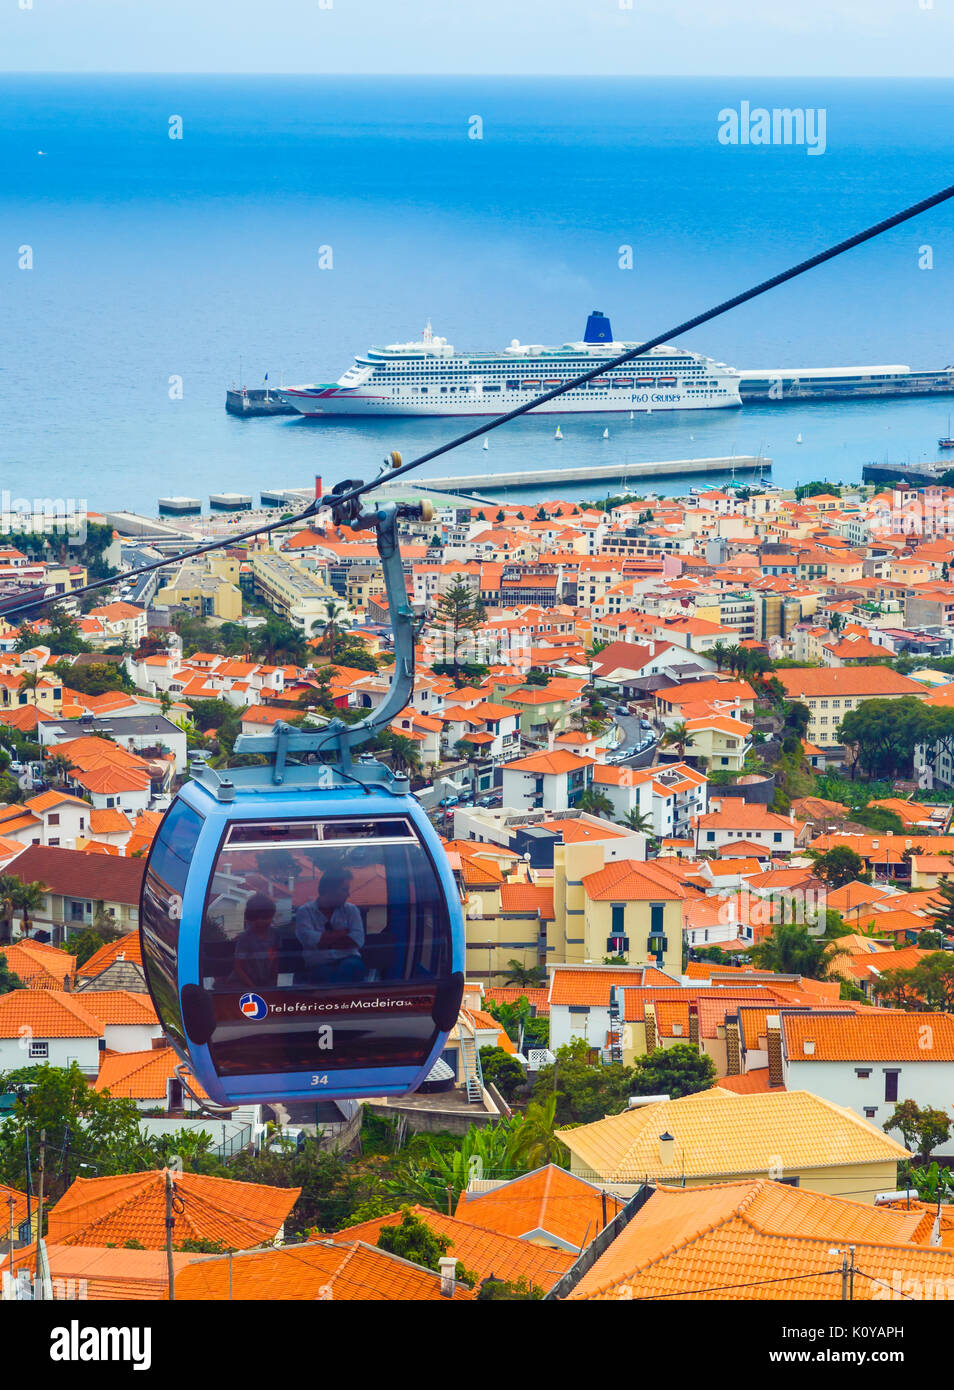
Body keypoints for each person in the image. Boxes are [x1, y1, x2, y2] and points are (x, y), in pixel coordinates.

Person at [295, 868, 365, 984]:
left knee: (350, 967)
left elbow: (358, 940)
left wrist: (323, 940)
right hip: (319, 965)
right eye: (344, 889)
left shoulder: (351, 910)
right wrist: (342, 934)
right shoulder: (305, 911)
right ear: (329, 890)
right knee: (323, 974)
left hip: (350, 961)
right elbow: (308, 940)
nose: (348, 894)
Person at [233, 892, 281, 990]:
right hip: (245, 985)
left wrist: (274, 983)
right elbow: (238, 968)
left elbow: (276, 960)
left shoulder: (275, 934)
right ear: (249, 918)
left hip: (266, 983)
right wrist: (253, 988)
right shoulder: (244, 938)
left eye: (265, 917)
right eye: (256, 918)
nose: (260, 921)